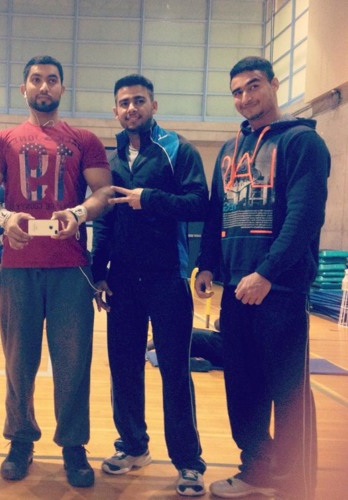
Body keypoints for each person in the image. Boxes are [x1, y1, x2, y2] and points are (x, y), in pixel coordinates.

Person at [0, 55, 112, 489]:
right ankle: (20, 440)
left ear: (62, 89)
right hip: (18, 269)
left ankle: (73, 445)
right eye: (36, 79)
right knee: (18, 362)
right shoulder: (2, 140)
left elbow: (103, 191)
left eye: (52, 80)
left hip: (71, 267)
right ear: (24, 88)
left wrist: (79, 213)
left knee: (73, 363)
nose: (44, 86)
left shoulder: (84, 139)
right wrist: (4, 218)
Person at [194, 56, 330, 500]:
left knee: (287, 394)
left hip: (280, 290)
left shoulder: (302, 143)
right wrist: (208, 264)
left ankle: (295, 485)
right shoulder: (230, 149)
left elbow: (304, 217)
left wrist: (267, 273)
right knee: (243, 387)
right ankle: (256, 470)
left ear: (274, 83)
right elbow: (217, 212)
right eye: (237, 91)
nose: (245, 97)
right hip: (236, 289)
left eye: (253, 86)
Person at [92, 74, 209, 497]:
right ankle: (133, 446)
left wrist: (150, 198)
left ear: (153, 105)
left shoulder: (178, 150)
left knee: (175, 371)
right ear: (115, 111)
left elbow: (199, 204)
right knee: (123, 368)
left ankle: (189, 462)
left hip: (168, 279)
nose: (131, 108)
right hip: (122, 281)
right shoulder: (112, 160)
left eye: (138, 101)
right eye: (124, 103)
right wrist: (99, 272)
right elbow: (105, 219)